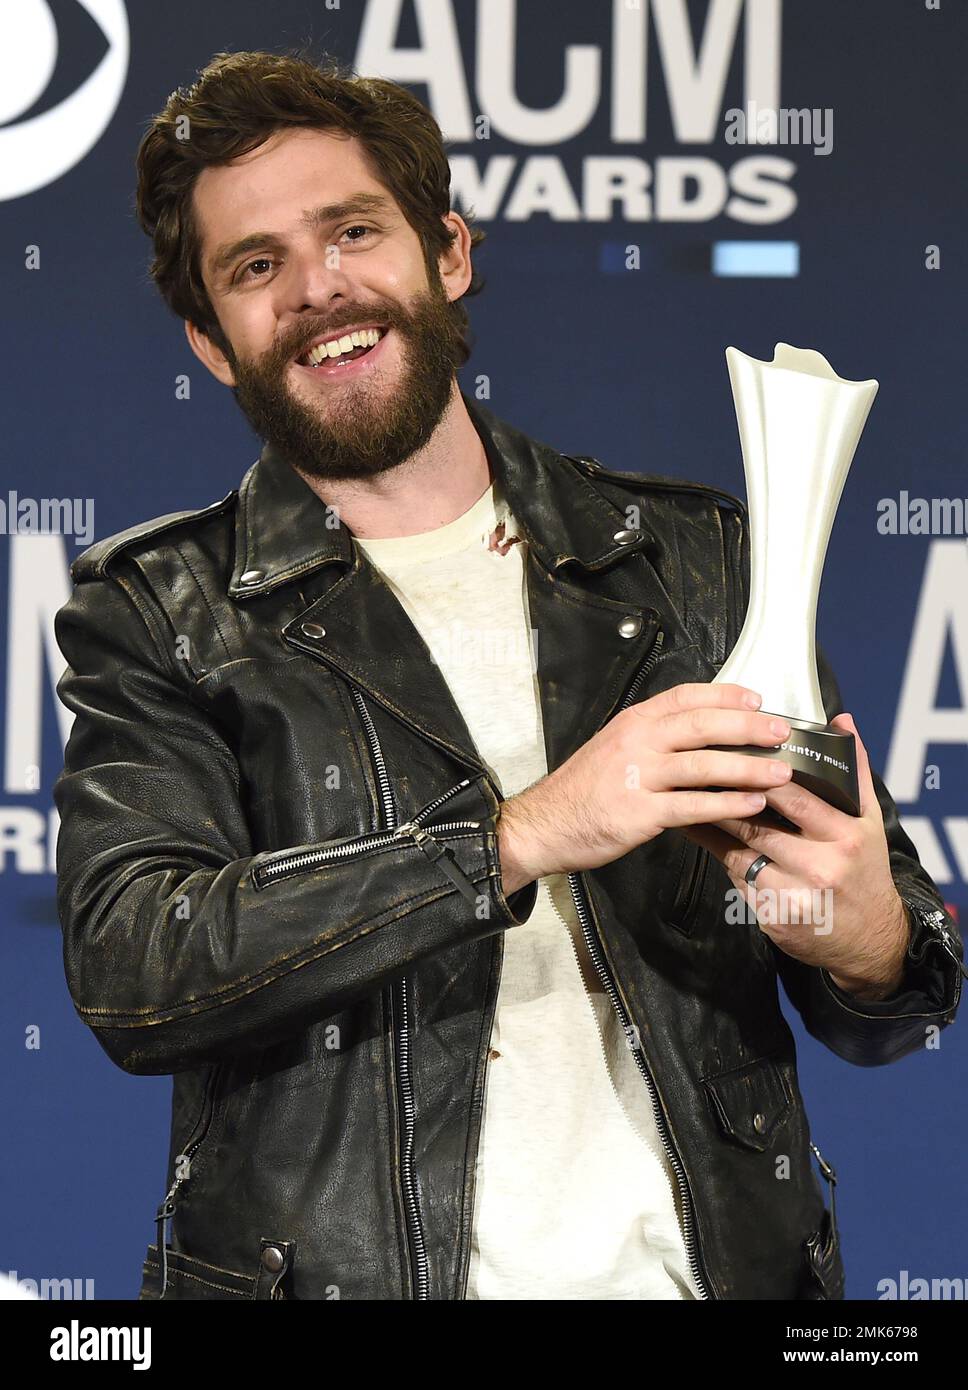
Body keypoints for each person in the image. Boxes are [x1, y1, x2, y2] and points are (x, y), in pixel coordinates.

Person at [53, 50, 962, 1302]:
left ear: (448, 254)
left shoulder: (693, 558)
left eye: (353, 231)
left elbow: (886, 999)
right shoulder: (157, 609)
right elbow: (137, 968)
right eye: (256, 267)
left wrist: (856, 929)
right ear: (212, 343)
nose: (319, 290)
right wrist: (520, 835)